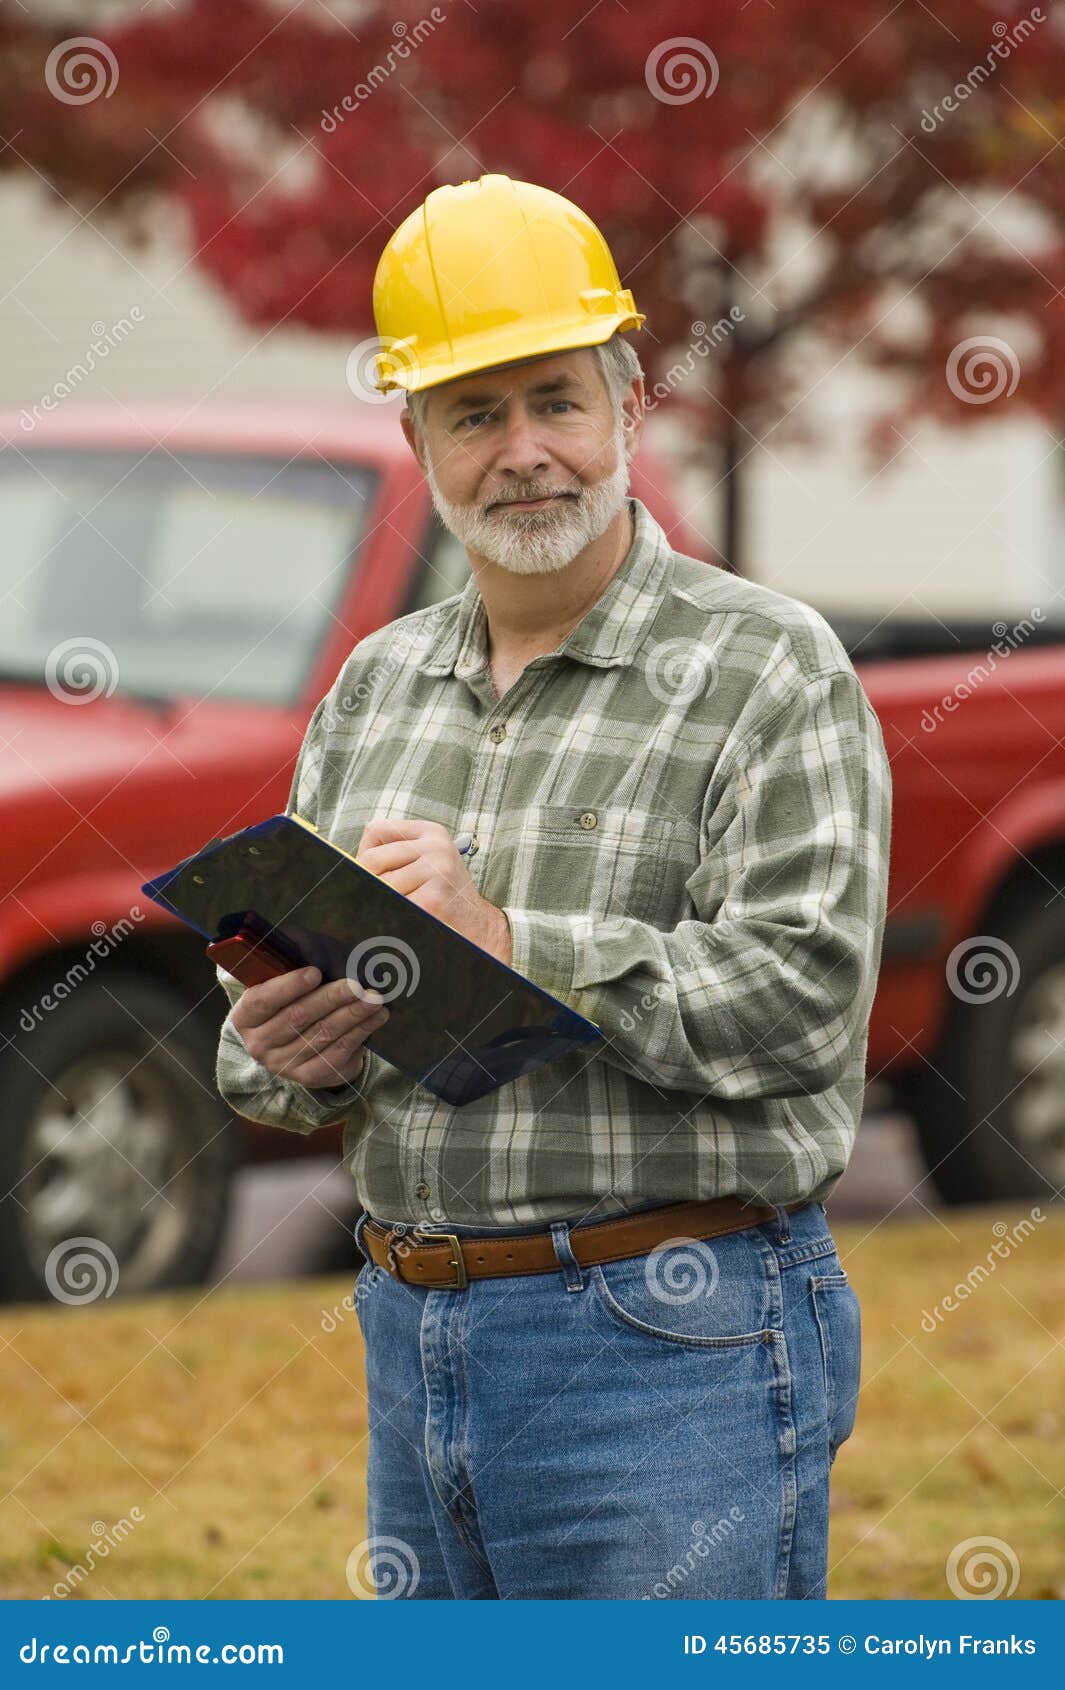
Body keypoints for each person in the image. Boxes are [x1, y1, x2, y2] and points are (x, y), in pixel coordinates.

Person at [214, 173, 892, 1601]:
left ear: (629, 409)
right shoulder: (374, 688)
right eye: (473, 412)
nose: (522, 450)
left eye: (554, 401)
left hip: (669, 1348)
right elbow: (276, 1061)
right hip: (414, 1340)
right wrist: (278, 1048)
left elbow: (804, 1001)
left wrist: (512, 940)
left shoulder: (767, 668)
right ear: (417, 436)